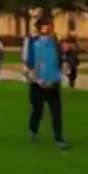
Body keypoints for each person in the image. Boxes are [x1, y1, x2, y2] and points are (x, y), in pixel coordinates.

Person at [24, 16, 68, 149]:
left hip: (53, 82)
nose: (50, 28)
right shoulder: (31, 42)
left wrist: (60, 76)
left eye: (51, 25)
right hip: (37, 83)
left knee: (56, 111)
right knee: (38, 110)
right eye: (47, 25)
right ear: (40, 27)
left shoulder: (55, 43)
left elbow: (61, 61)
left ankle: (59, 138)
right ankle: (33, 130)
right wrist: (37, 79)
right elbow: (27, 62)